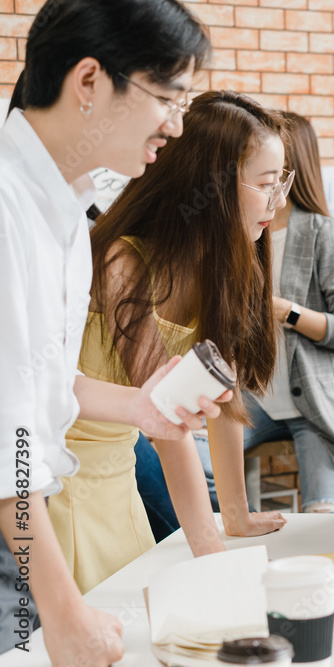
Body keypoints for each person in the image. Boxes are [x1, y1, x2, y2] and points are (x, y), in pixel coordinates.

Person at [0, 0, 216, 661]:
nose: (177, 127)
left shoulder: (66, 205)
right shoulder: (8, 208)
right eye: (168, 97)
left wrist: (135, 404)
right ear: (89, 81)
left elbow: (35, 376)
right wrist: (63, 611)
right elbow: (8, 443)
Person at [48, 90, 290, 595]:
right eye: (267, 184)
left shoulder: (224, 268)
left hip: (118, 486)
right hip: (58, 492)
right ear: (212, 186)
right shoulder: (124, 261)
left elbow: (221, 397)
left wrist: (237, 516)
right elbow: (167, 420)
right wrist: (212, 553)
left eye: (281, 182)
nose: (279, 202)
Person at [198, 110, 334, 514]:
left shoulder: (322, 232)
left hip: (317, 407)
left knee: (323, 517)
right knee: (194, 461)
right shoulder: (240, 231)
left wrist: (285, 311)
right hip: (256, 399)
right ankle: (237, 544)